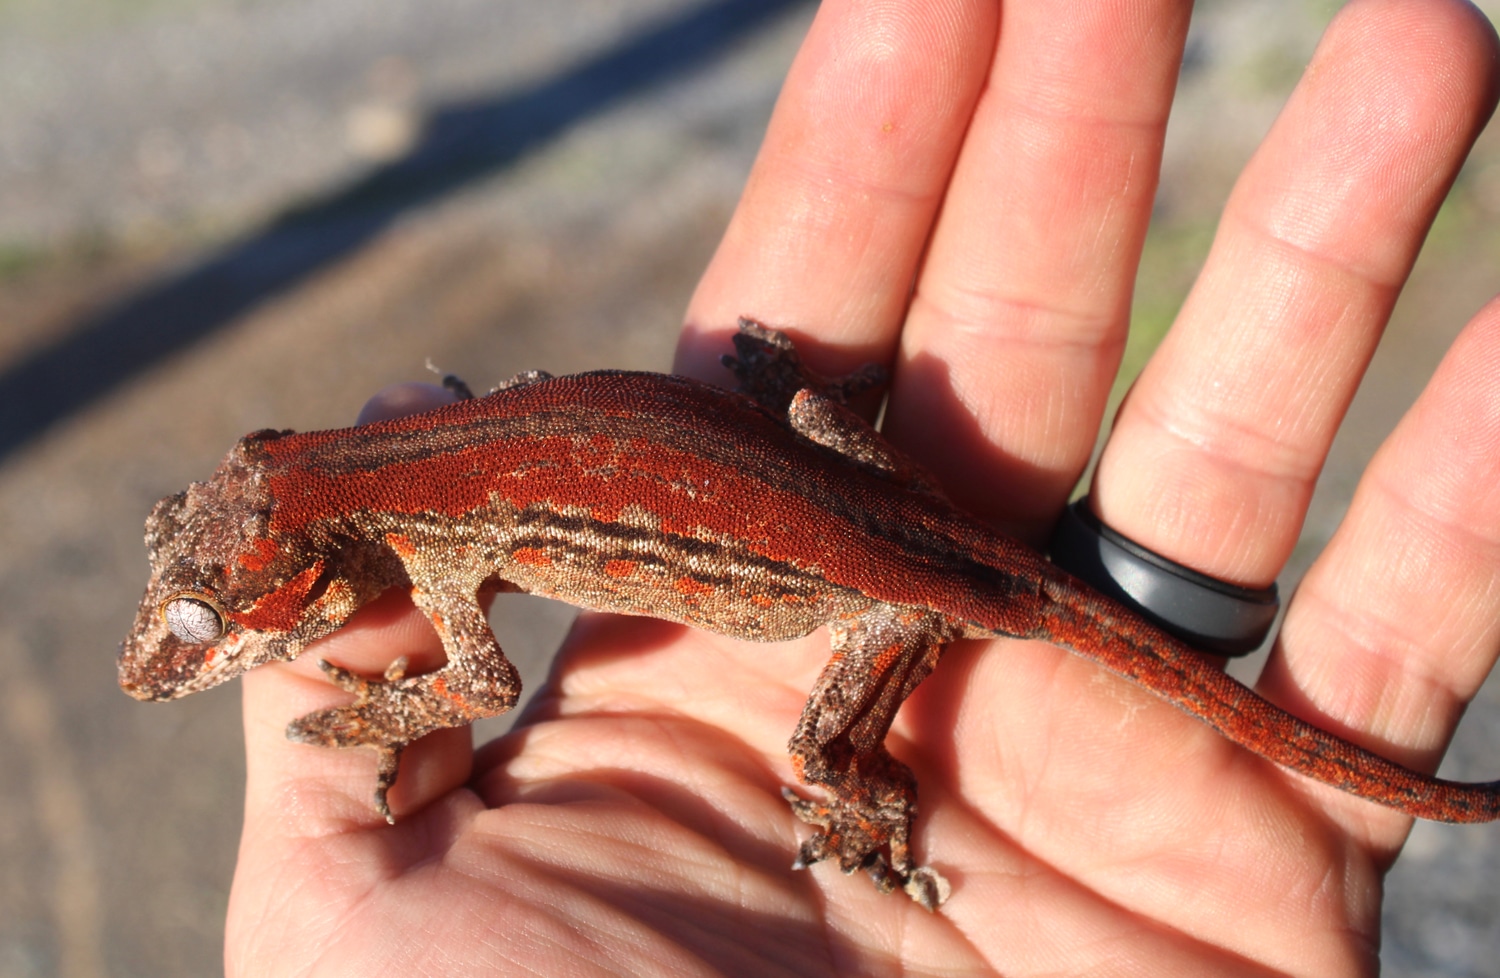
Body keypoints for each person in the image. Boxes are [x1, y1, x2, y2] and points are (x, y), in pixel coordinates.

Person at [225, 0, 1500, 973]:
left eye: (210, 618)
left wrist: (389, 711)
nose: (193, 647)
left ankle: (864, 818)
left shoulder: (436, 530)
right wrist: (799, 406)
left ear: (308, 569)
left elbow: (483, 682)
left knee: (822, 764)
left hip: (891, 580)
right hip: (858, 488)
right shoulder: (449, 453)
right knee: (906, 575)